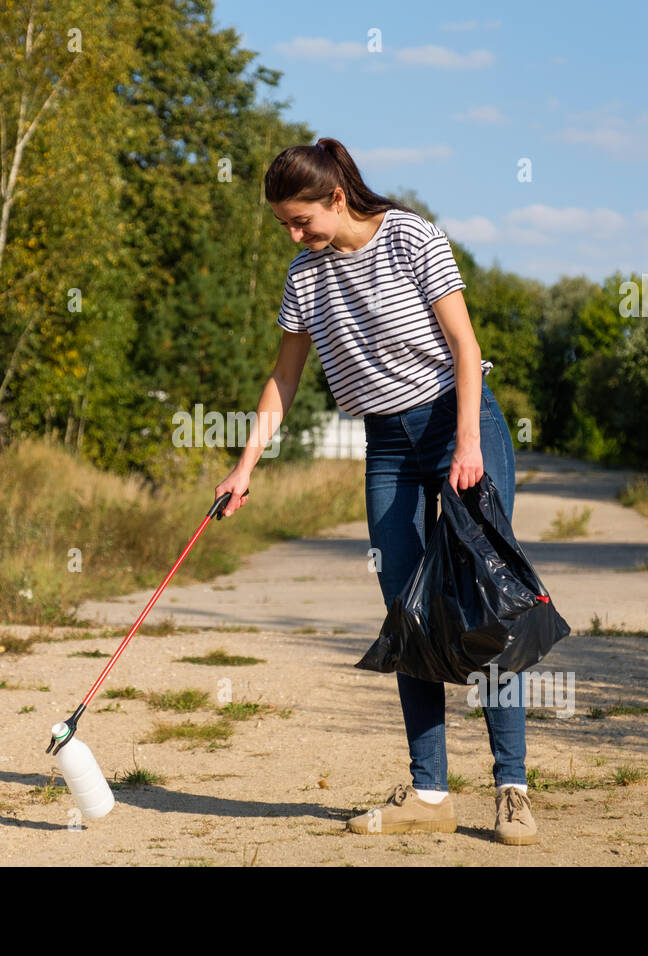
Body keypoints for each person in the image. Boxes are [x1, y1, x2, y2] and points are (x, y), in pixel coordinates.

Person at [213, 137, 536, 845]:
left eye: (302, 221)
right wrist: (247, 464)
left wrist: (470, 444)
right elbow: (285, 377)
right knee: (408, 615)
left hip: (460, 423)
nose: (296, 237)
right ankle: (429, 794)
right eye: (285, 227)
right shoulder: (306, 276)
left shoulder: (412, 238)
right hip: (387, 445)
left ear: (336, 196)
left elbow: (465, 348)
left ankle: (511, 788)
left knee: (484, 604)